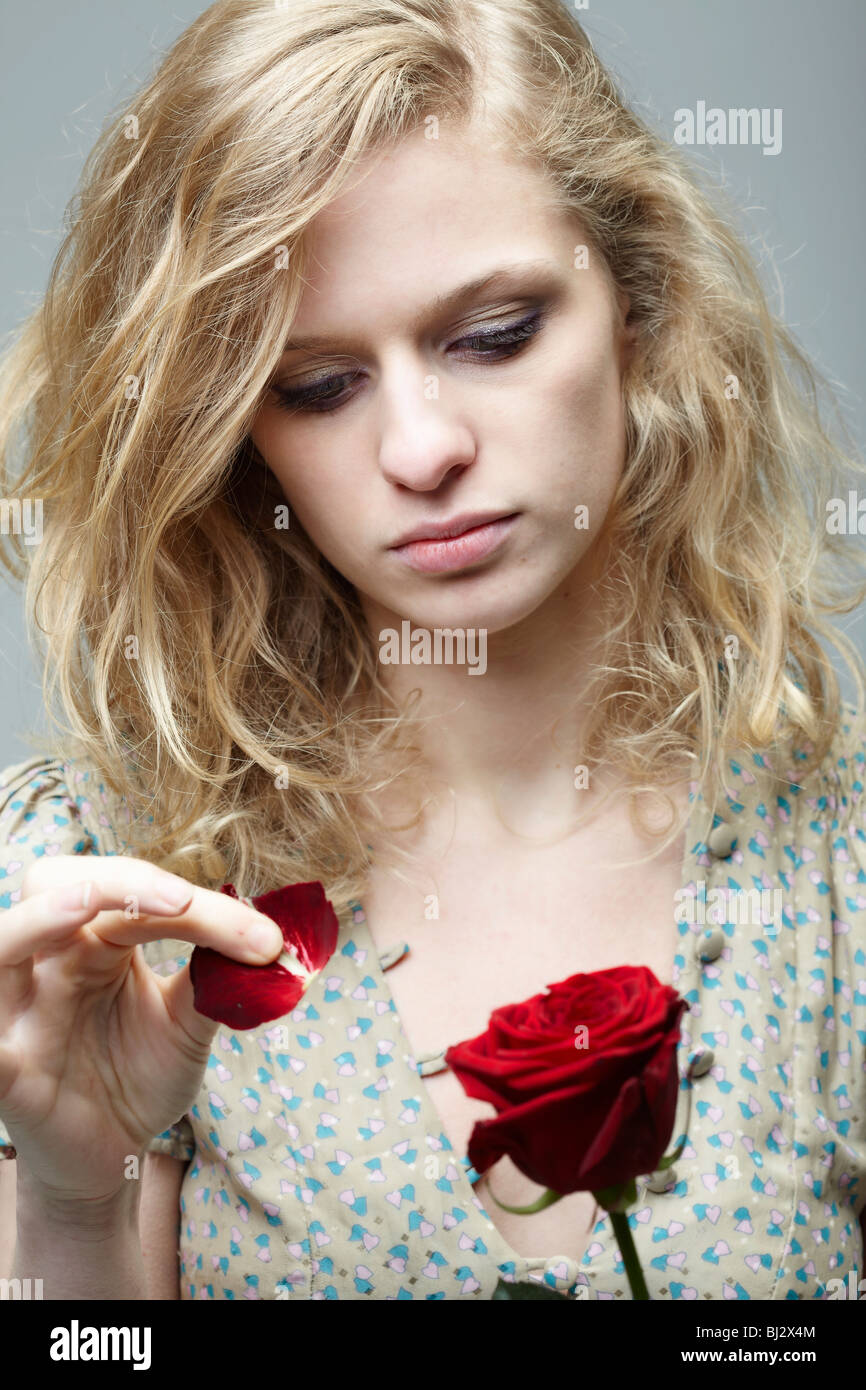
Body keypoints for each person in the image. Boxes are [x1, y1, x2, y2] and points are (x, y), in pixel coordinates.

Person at [0, 0, 864, 1302]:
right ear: (242, 432)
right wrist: (70, 1197)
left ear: (640, 309)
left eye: (492, 334)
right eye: (317, 384)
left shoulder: (834, 867)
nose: (419, 448)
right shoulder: (123, 889)